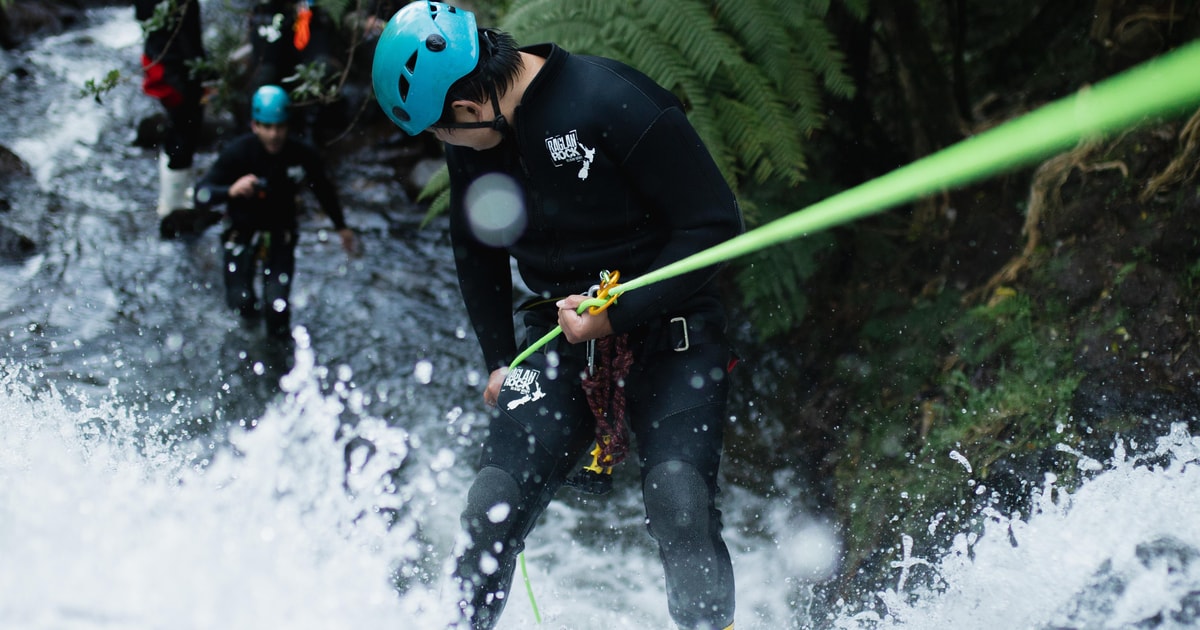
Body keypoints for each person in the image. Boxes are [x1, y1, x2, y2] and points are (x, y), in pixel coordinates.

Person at [371, 3, 743, 629]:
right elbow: (478, 247)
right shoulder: (475, 142)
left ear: (467, 109)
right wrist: (496, 359)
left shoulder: (614, 102)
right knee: (491, 508)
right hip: (558, 337)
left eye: (440, 132)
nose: (443, 146)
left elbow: (713, 226)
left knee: (680, 502)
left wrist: (617, 311)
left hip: (673, 329)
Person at [194, 84, 358, 341]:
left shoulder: (301, 154)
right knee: (241, 300)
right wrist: (230, 190)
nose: (274, 135)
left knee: (277, 306)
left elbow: (324, 190)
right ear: (254, 125)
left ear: (288, 125)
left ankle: (278, 357)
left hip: (280, 233)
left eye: (280, 127)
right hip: (241, 231)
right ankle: (248, 344)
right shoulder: (238, 153)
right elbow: (201, 193)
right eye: (267, 127)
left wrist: (342, 227)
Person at [134, 0, 207, 237]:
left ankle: (175, 200)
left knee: (184, 130)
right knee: (183, 132)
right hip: (171, 70)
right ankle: (172, 208)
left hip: (177, 66)